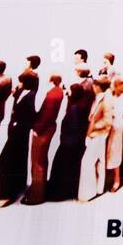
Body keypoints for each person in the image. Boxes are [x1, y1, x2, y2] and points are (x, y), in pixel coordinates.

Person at [47, 67, 94, 201]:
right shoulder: (80, 106)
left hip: (69, 145)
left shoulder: (74, 109)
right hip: (74, 144)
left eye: (70, 91)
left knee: (62, 169)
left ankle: (61, 192)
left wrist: (65, 140)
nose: (67, 92)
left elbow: (71, 128)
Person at [0, 70, 38, 205]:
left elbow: (30, 115)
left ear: (26, 83)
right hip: (16, 128)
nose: (18, 84)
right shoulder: (22, 92)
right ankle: (19, 185)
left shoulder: (30, 97)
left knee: (5, 160)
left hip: (19, 130)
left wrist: (17, 124)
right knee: (18, 157)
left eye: (21, 81)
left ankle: (6, 194)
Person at [23, 73, 64, 205]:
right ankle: (38, 189)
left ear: (51, 80)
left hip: (43, 130)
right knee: (41, 160)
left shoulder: (52, 94)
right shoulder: (58, 91)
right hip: (48, 128)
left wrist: (36, 130)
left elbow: (47, 115)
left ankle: (37, 194)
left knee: (37, 161)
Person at [80, 78, 115, 200]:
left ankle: (88, 192)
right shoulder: (99, 97)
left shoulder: (105, 99)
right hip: (98, 134)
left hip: (98, 135)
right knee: (100, 162)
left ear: (99, 87)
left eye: (95, 86)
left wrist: (94, 126)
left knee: (87, 162)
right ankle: (99, 189)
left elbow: (108, 120)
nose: (93, 88)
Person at [106, 78, 123, 193]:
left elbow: (119, 112)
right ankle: (108, 178)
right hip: (109, 126)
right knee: (108, 152)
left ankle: (117, 180)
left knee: (115, 152)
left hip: (117, 126)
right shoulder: (112, 94)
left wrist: (108, 110)